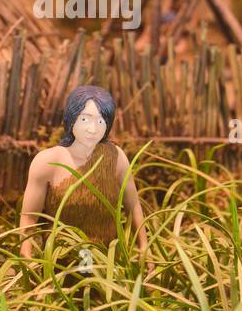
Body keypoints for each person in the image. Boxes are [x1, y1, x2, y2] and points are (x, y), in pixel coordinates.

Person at [19, 86, 148, 264]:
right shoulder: (47, 162)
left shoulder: (116, 158)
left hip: (107, 263)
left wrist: (143, 246)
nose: (92, 129)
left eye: (101, 121)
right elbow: (29, 216)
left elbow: (133, 206)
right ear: (72, 118)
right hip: (62, 262)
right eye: (85, 119)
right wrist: (27, 254)